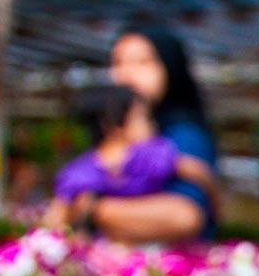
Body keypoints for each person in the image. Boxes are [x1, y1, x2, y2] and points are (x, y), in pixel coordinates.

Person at [73, 25, 219, 243]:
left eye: (142, 62)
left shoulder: (183, 134)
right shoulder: (114, 136)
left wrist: (94, 208)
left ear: (169, 67)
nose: (126, 74)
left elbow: (185, 217)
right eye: (118, 62)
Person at [43, 85, 216, 233]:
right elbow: (58, 215)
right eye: (143, 117)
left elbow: (197, 171)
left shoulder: (151, 155)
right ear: (112, 123)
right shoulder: (81, 173)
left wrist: (212, 204)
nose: (152, 125)